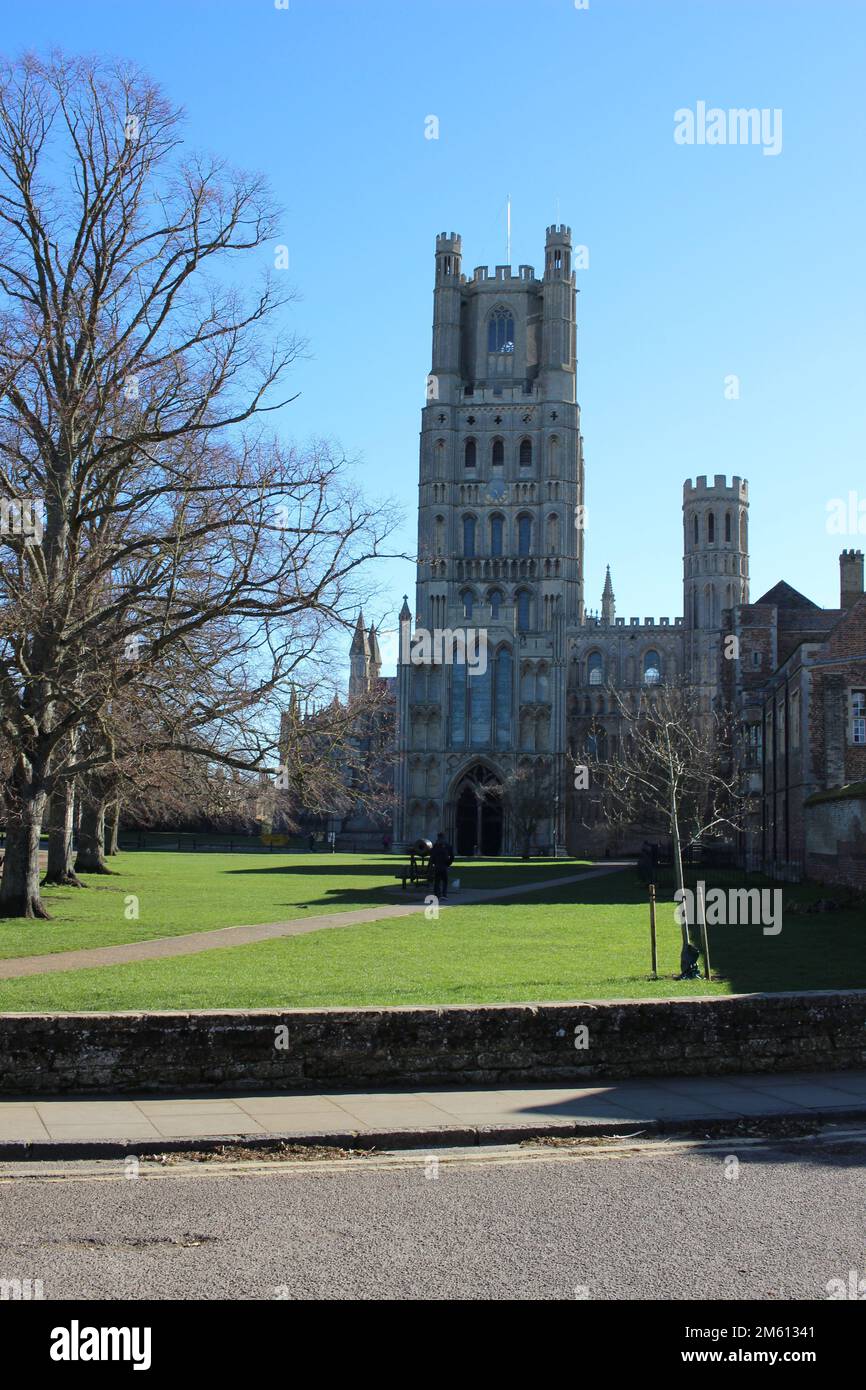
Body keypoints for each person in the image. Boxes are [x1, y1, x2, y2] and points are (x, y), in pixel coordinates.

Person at [429, 831, 454, 900]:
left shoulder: (435, 846)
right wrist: (448, 863)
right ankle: (444, 894)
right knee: (444, 881)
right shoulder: (447, 845)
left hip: (437, 865)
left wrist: (433, 863)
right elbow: (452, 857)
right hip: (444, 865)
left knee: (437, 881)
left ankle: (438, 895)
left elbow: (432, 856)